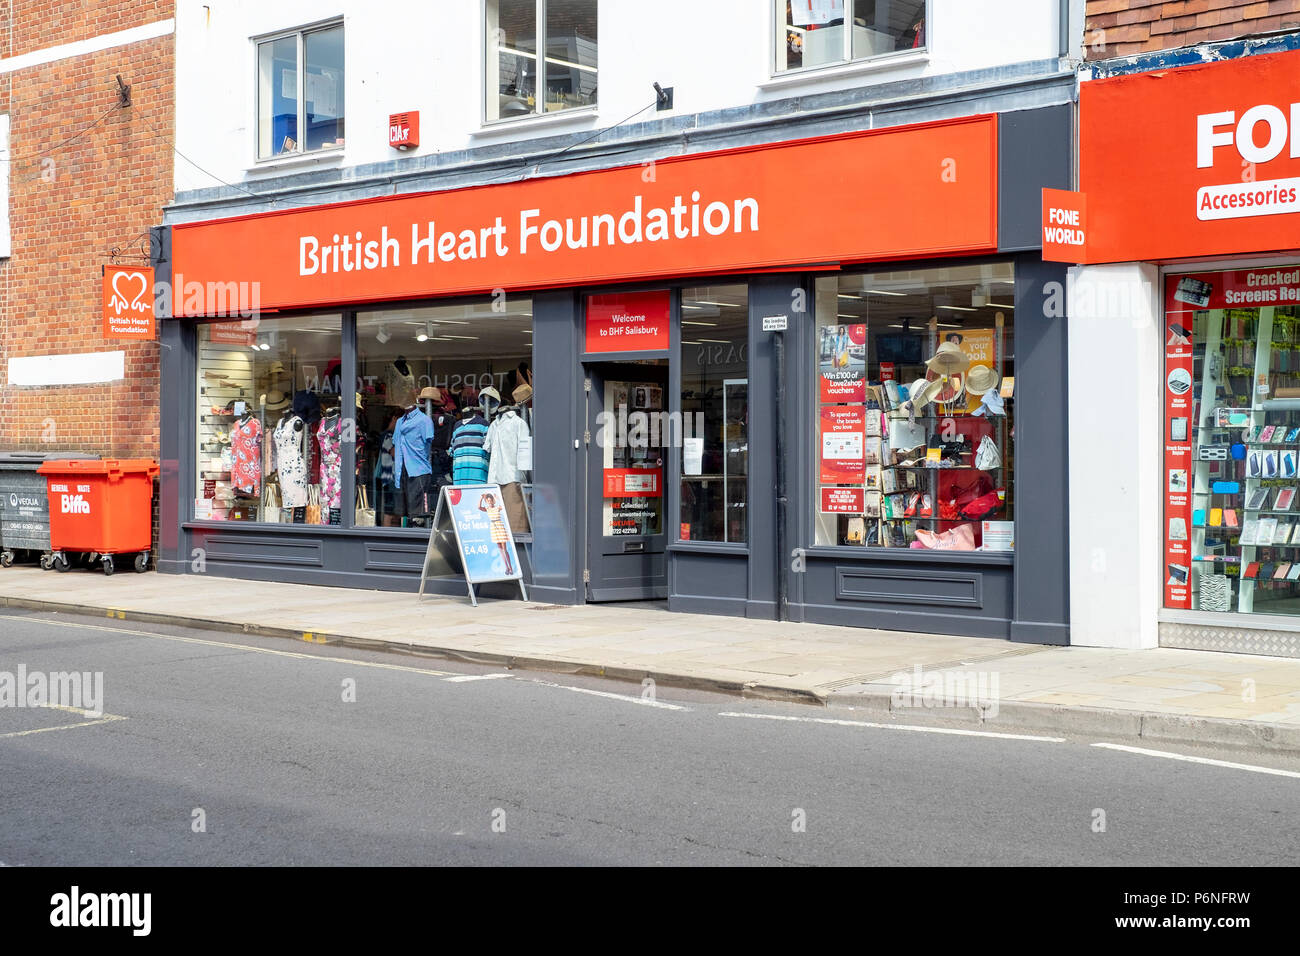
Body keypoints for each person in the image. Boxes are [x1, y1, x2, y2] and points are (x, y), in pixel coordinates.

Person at [478, 492, 513, 575]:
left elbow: (504, 506)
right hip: (493, 528)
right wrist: (481, 498)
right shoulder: (487, 509)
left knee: (504, 549)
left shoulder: (497, 507)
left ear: (493, 501)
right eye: (488, 501)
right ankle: (506, 568)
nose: (489, 502)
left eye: (490, 500)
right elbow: (479, 507)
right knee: (500, 550)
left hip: (500, 526)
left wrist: (498, 498)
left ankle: (510, 568)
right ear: (486, 501)